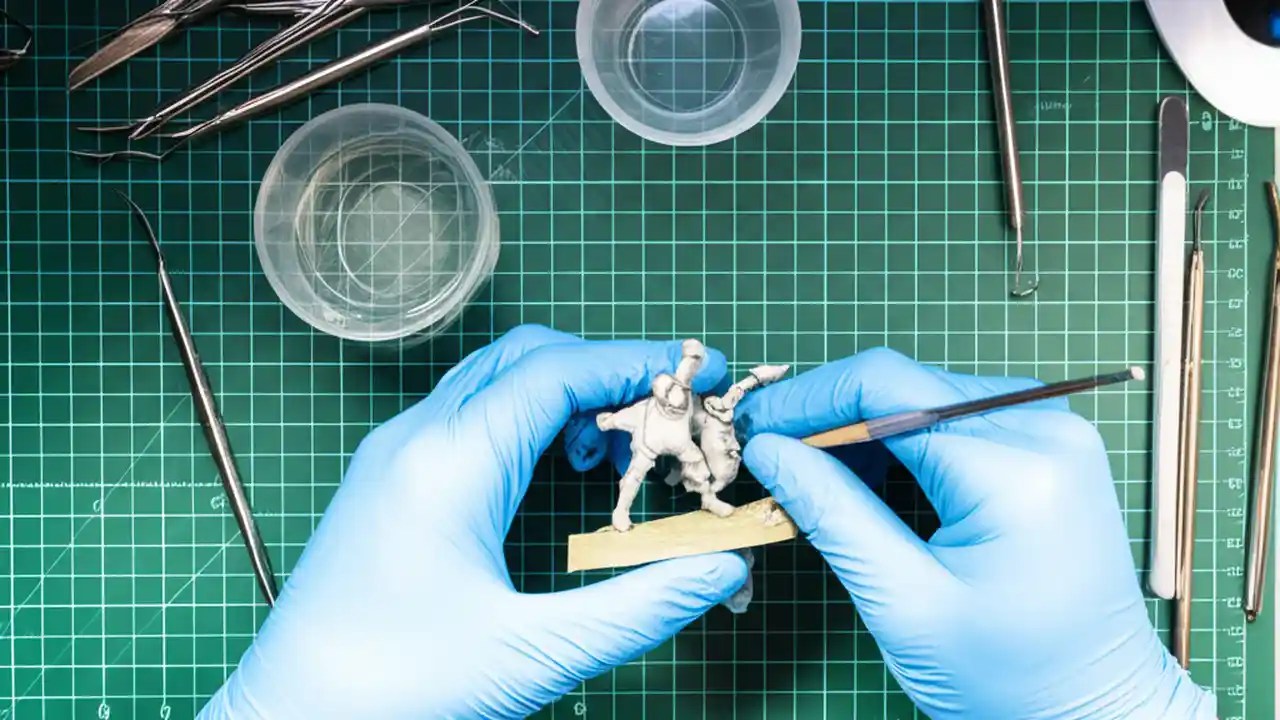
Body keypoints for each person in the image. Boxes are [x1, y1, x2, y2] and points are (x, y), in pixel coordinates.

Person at [198, 326, 1216, 719]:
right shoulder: (670, 396)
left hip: (701, 438)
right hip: (666, 441)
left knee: (698, 456)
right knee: (654, 460)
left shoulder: (694, 393)